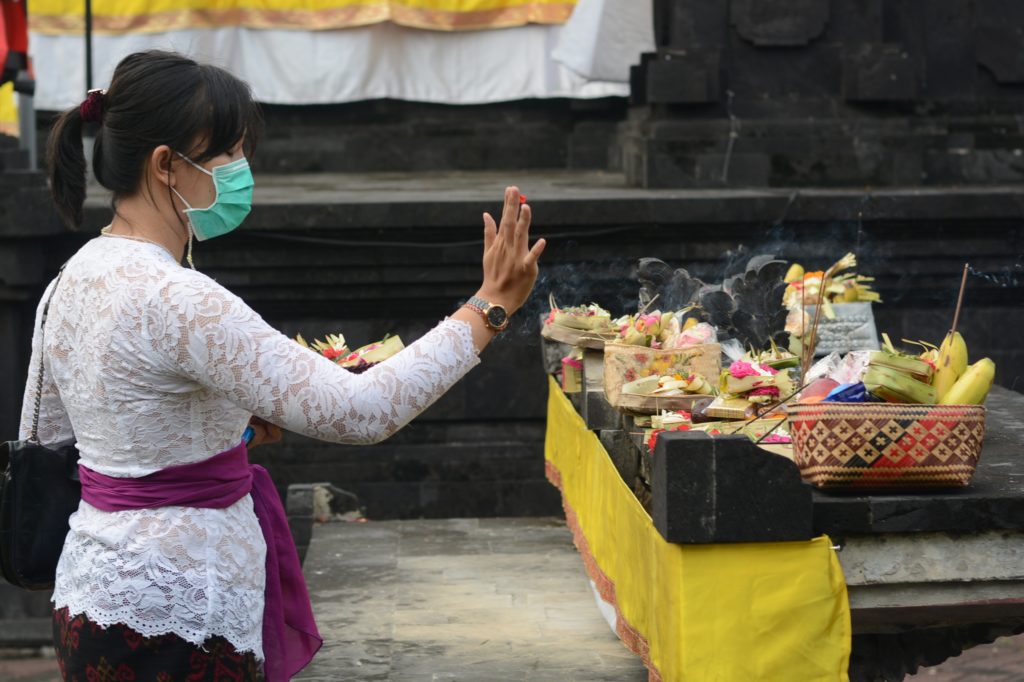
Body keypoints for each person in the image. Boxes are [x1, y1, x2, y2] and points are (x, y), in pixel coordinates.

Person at [22, 50, 545, 681]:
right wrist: (489, 308)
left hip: (93, 594)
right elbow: (362, 412)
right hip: (182, 611)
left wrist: (222, 431)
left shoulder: (73, 275)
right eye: (227, 155)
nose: (240, 172)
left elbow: (66, 436)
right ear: (165, 165)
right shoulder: (177, 298)